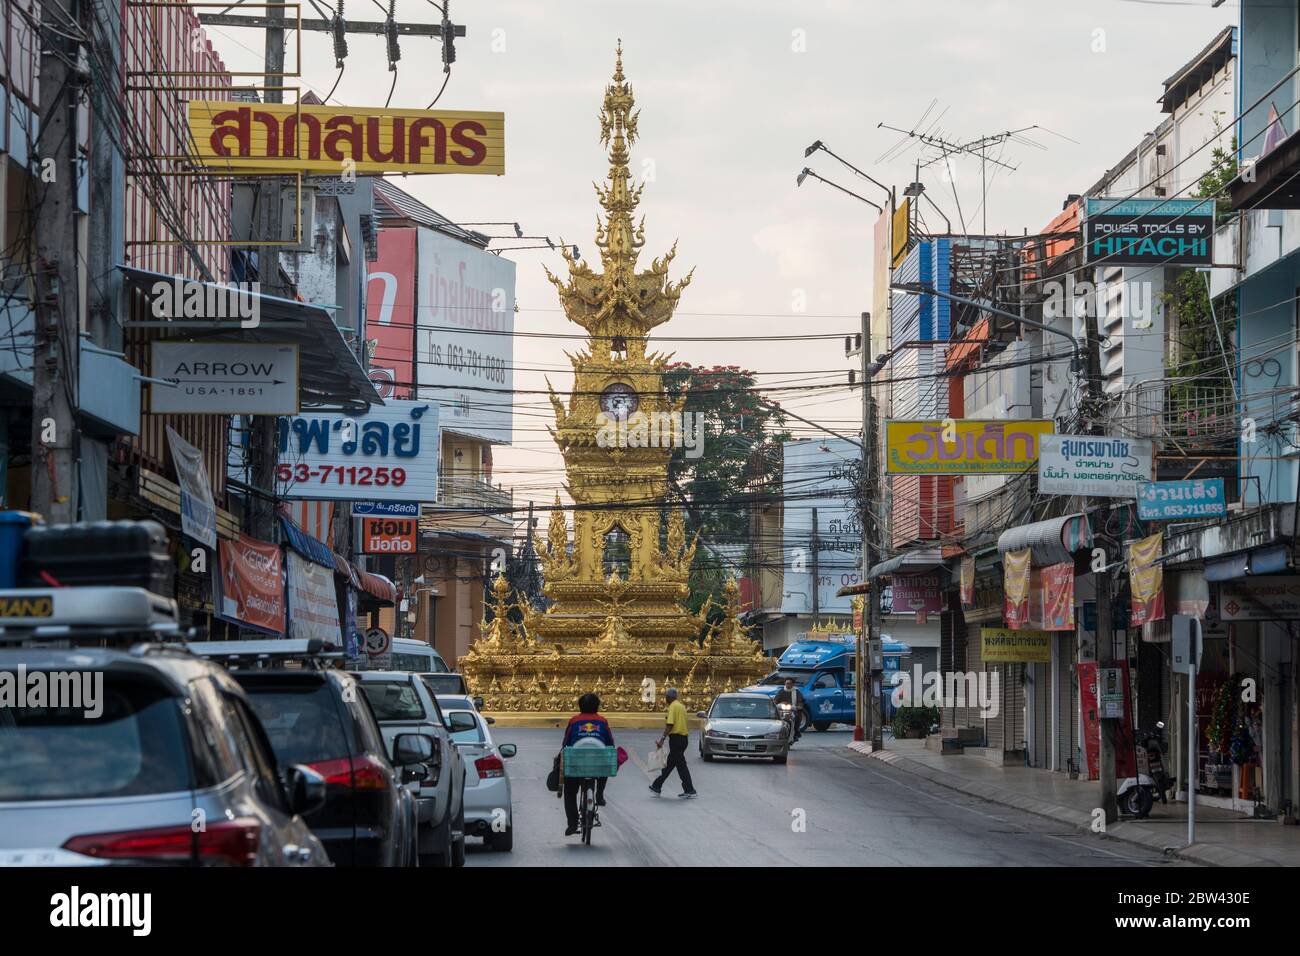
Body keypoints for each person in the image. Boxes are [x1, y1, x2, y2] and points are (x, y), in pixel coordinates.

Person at [561, 692, 615, 836]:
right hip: (597, 763)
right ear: (597, 706)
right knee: (607, 761)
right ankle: (599, 794)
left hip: (576, 763)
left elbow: (566, 742)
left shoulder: (574, 721)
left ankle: (572, 824)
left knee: (570, 791)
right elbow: (610, 742)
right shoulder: (603, 721)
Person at [649, 687, 697, 799]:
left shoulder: (672, 707)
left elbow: (669, 724)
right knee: (671, 764)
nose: (665, 698)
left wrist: (662, 739)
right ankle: (657, 785)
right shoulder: (681, 707)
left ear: (669, 697)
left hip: (676, 739)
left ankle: (690, 790)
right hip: (683, 739)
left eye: (666, 696)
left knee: (680, 766)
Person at [774, 677, 802, 741]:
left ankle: (796, 733)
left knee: (797, 717)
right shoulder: (781, 691)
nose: (788, 685)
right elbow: (775, 700)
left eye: (790, 683)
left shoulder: (797, 692)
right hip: (781, 710)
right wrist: (777, 703)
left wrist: (799, 706)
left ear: (793, 684)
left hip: (793, 709)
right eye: (787, 683)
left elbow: (800, 701)